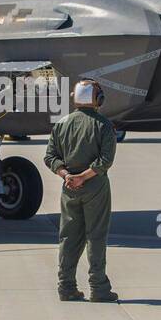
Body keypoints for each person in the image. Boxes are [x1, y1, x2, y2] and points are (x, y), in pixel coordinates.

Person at [43, 79, 118, 302]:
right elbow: (105, 160)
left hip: (69, 189)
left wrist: (68, 176)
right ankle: (99, 288)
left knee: (68, 237)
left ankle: (66, 287)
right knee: (95, 235)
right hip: (95, 186)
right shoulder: (104, 125)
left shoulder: (62, 124)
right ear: (98, 100)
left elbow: (50, 157)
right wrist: (83, 177)